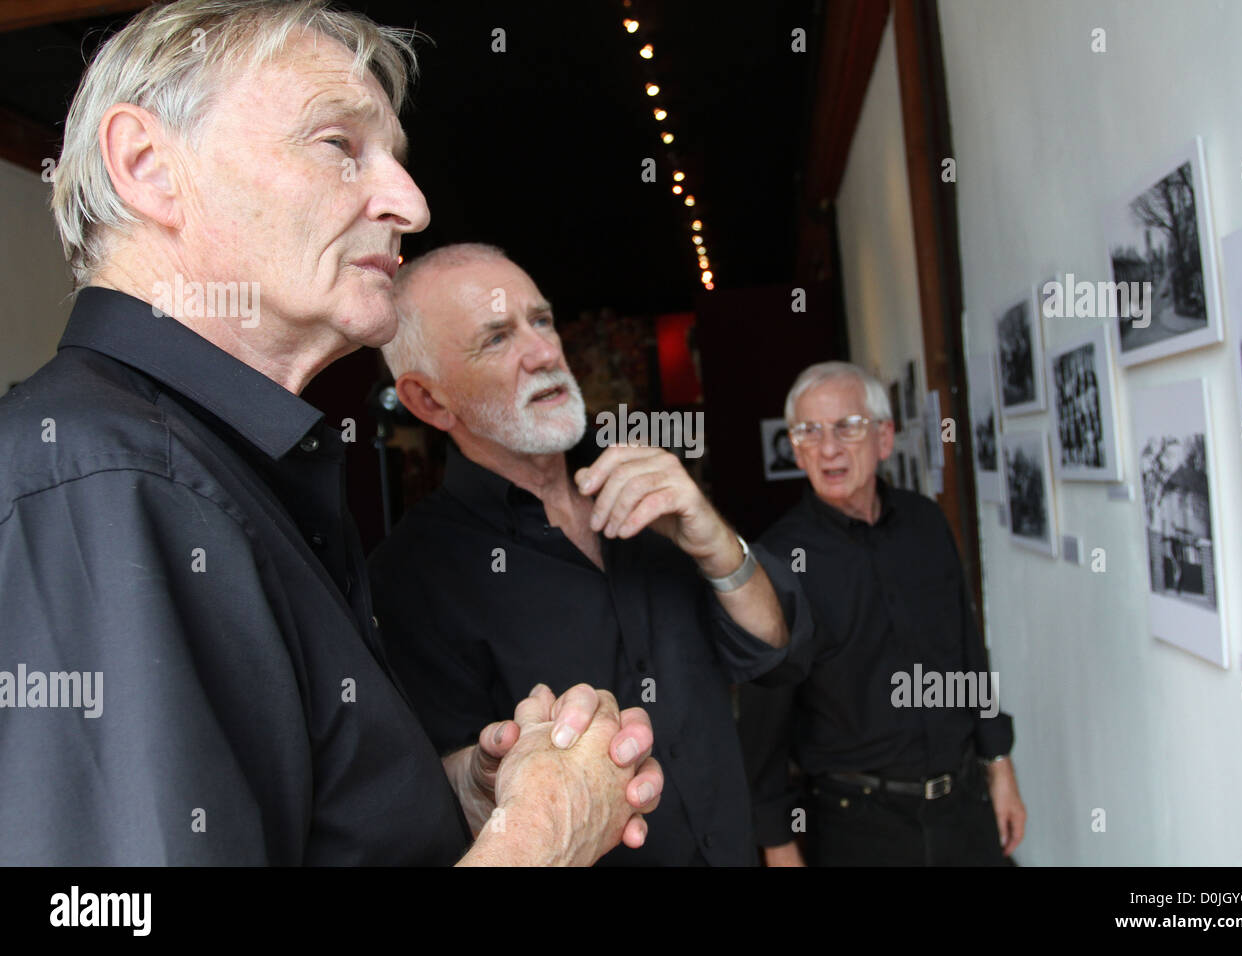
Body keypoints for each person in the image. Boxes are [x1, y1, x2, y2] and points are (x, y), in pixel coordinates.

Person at [0, 0, 662, 866]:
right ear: (150, 167)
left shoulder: (226, 462)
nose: (412, 204)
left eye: (396, 157)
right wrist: (544, 838)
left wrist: (457, 795)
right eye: (338, 145)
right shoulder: (112, 480)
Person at [368, 243, 814, 866]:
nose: (545, 352)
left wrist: (716, 542)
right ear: (428, 401)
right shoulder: (411, 577)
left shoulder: (643, 484)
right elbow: (445, 807)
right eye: (497, 338)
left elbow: (776, 655)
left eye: (542, 321)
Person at [737, 361, 1027, 866]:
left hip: (964, 808)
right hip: (857, 826)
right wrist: (780, 849)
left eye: (847, 427)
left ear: (884, 437)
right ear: (796, 447)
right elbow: (764, 723)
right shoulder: (777, 563)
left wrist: (999, 764)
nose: (828, 449)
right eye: (809, 431)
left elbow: (968, 653)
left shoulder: (927, 524)